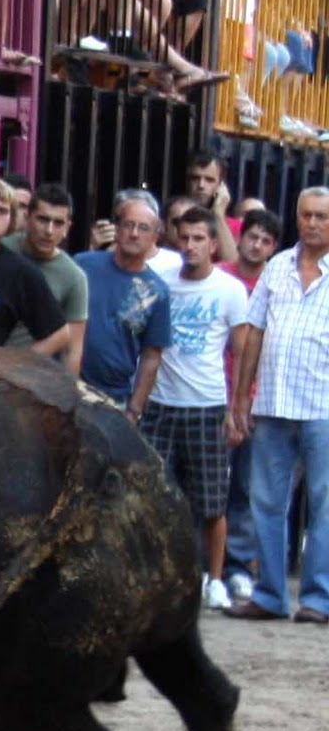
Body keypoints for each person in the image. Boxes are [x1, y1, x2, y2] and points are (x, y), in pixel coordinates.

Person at [227, 188, 329, 624]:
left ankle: (318, 598)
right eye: (306, 215)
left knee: (324, 505)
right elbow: (253, 332)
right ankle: (270, 594)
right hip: (273, 401)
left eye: (322, 216)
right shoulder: (277, 268)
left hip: (324, 406)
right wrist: (241, 397)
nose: (312, 223)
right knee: (265, 500)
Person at [139, 209, 249, 611]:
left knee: (212, 500)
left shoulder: (230, 289)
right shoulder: (161, 281)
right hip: (160, 402)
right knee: (155, 494)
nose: (190, 246)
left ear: (213, 244)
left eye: (199, 239)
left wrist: (237, 408)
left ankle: (215, 578)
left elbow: (241, 351)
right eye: (184, 238)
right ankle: (160, 575)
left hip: (207, 403)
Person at [217, 206, 281, 602]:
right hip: (211, 396)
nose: (256, 245)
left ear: (273, 248)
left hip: (257, 401)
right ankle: (203, 566)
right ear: (240, 237)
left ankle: (238, 566)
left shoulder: (276, 286)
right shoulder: (220, 277)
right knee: (205, 487)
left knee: (245, 488)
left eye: (265, 240)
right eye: (252, 236)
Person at [74, 194, 171, 414]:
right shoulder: (82, 265)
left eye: (143, 228)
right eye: (129, 225)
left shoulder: (158, 292)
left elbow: (151, 357)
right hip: (67, 387)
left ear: (155, 237)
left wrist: (134, 411)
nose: (135, 233)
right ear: (117, 229)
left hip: (113, 398)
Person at [0, 178, 69, 354]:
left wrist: (11, 366)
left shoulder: (19, 271)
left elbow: (59, 335)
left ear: (12, 219)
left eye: (2, 211)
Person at [1, 182, 89, 373]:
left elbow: (72, 350)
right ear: (27, 218)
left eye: (58, 223)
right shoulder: (1, 249)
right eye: (42, 219)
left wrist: (68, 397)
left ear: (68, 227)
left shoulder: (73, 277)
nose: (49, 230)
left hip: (28, 373)